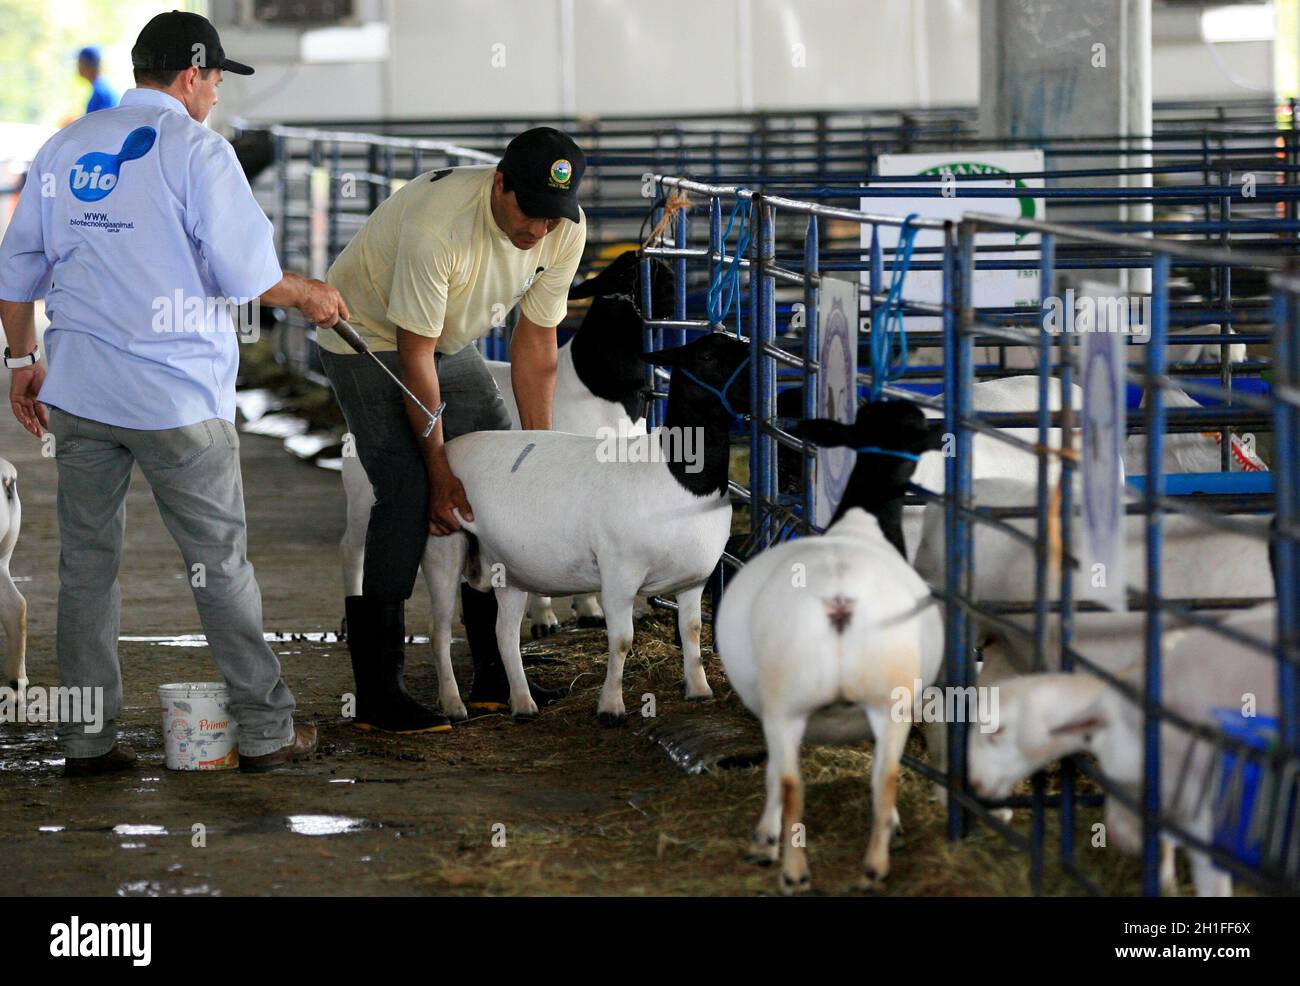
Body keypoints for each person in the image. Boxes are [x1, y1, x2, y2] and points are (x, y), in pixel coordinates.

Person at [0, 10, 347, 775]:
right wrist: (312, 294)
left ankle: (87, 741)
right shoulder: (198, 152)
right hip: (178, 402)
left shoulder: (63, 148)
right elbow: (249, 279)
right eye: (217, 78)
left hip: (82, 397)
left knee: (86, 569)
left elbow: (14, 274)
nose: (218, 93)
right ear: (191, 75)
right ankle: (263, 731)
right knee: (219, 566)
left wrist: (22, 362)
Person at [316, 128, 587, 733]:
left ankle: (493, 674)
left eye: (553, 217)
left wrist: (534, 456)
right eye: (532, 212)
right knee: (407, 491)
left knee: (494, 475)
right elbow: (414, 362)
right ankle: (377, 693)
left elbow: (538, 342)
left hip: (446, 340)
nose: (539, 231)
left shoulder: (564, 230)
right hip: (365, 334)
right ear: (500, 185)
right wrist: (438, 471)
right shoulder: (440, 228)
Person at [77, 46, 119, 114]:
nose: (77, 66)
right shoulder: (102, 87)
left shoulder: (100, 92)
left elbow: (95, 122)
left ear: (87, 65)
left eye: (79, 62)